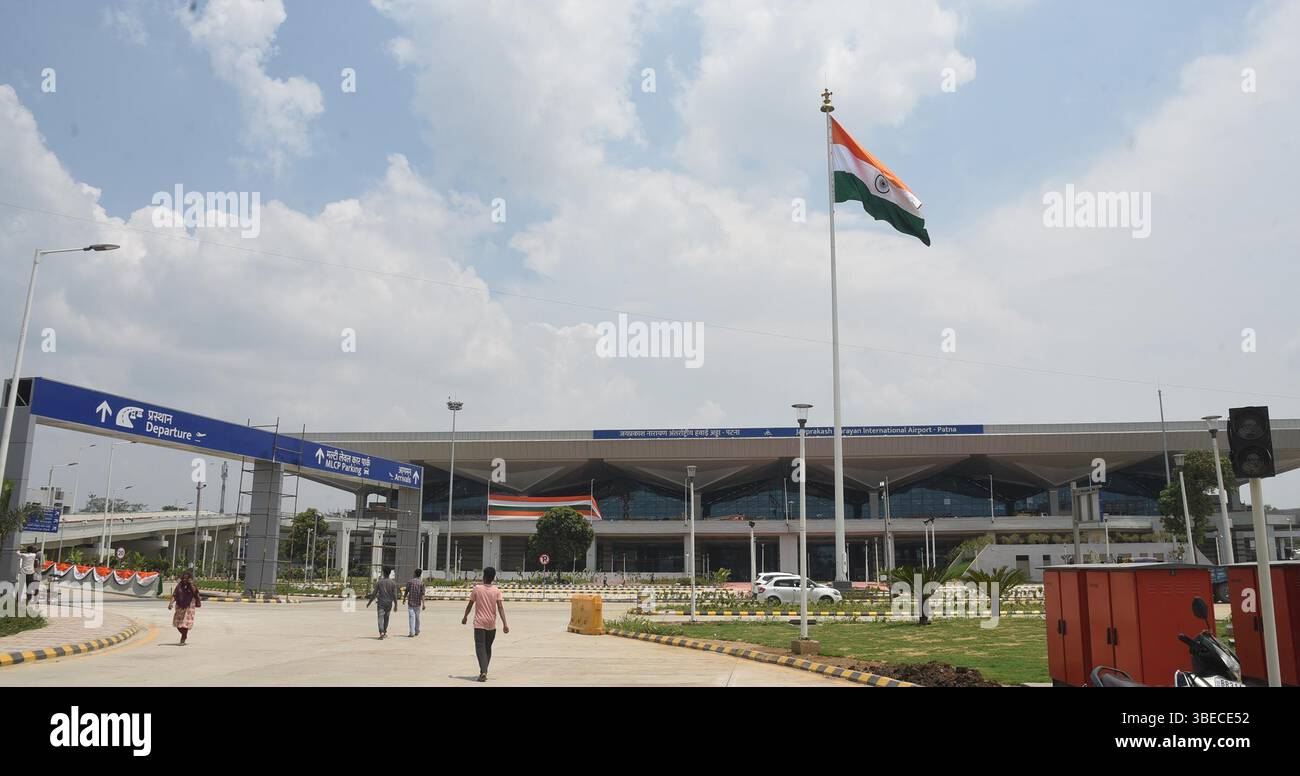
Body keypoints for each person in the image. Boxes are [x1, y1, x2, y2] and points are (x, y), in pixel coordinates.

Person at [462, 566, 509, 682]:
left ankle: (483, 671)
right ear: (493, 578)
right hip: (491, 624)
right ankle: (484, 671)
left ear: (484, 576)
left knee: (480, 648)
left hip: (479, 623)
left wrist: (465, 617)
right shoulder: (496, 590)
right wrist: (505, 624)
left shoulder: (477, 589)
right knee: (487, 648)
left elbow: (470, 605)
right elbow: (501, 608)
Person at [168, 571, 202, 645]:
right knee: (178, 624)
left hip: (189, 606)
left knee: (185, 624)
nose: (184, 580)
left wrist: (191, 583)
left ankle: (183, 638)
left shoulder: (192, 585)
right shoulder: (179, 586)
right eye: (183, 578)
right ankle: (184, 635)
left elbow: (196, 592)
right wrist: (171, 603)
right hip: (179, 606)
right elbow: (175, 594)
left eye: (186, 578)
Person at [366, 567, 399, 639]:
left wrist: (369, 602)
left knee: (380, 618)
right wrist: (396, 605)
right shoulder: (393, 583)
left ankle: (381, 632)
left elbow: (374, 593)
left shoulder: (379, 582)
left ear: (383, 573)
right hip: (389, 603)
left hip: (381, 603)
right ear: (390, 573)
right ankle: (384, 631)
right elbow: (394, 595)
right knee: (386, 618)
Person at [405, 568, 426, 637]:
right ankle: (416, 630)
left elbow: (406, 591)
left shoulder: (410, 582)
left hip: (411, 602)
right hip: (418, 603)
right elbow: (422, 594)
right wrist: (423, 604)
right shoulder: (422, 583)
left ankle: (412, 632)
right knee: (417, 617)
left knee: (411, 617)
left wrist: (404, 598)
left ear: (414, 573)